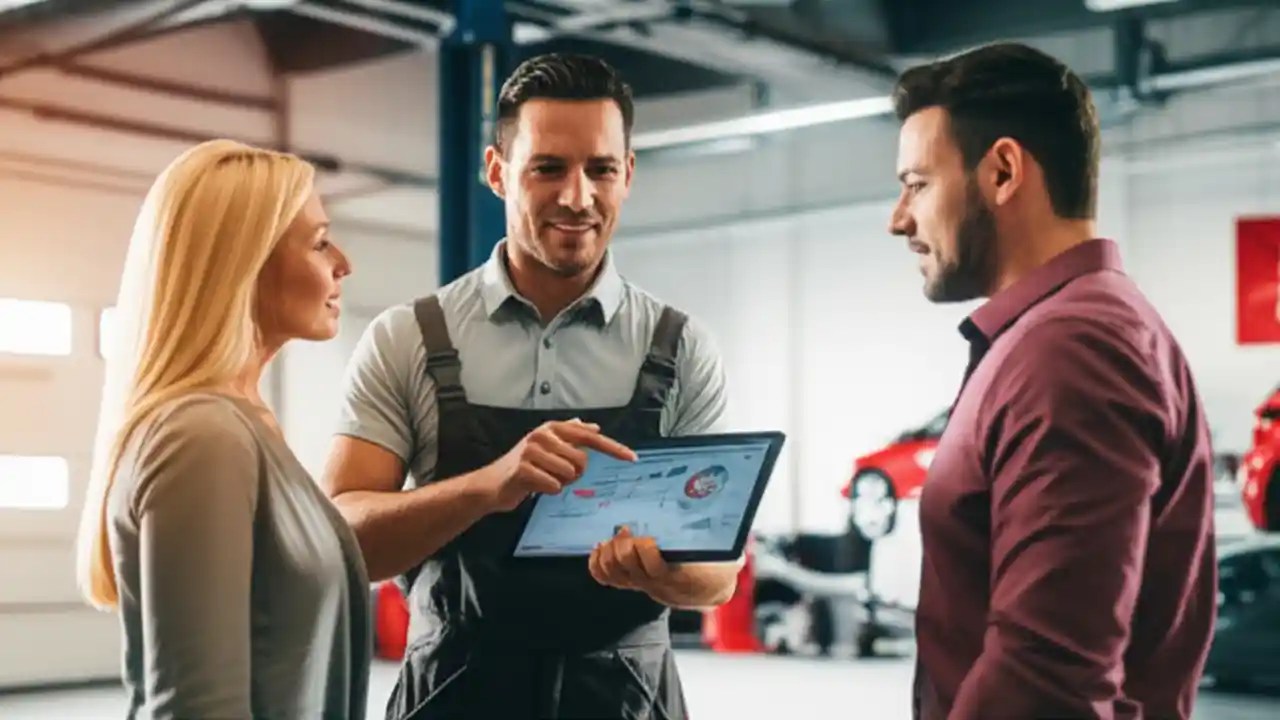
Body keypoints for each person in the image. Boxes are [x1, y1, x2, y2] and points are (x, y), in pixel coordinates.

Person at [324, 53, 739, 720]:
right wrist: (488, 487)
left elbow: (720, 577)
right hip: (452, 697)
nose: (577, 196)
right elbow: (341, 539)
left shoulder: (681, 349)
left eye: (601, 169)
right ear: (497, 173)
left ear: (628, 174)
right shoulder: (409, 339)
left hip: (627, 703)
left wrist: (663, 572)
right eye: (548, 168)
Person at [888, 42, 1216, 719]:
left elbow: (1044, 680)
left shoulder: (1072, 350)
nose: (899, 219)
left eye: (917, 184)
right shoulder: (1066, 333)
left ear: (1003, 171)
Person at [74, 139, 371, 720]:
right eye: (319, 243)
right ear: (245, 263)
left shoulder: (244, 423)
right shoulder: (202, 436)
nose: (344, 263)